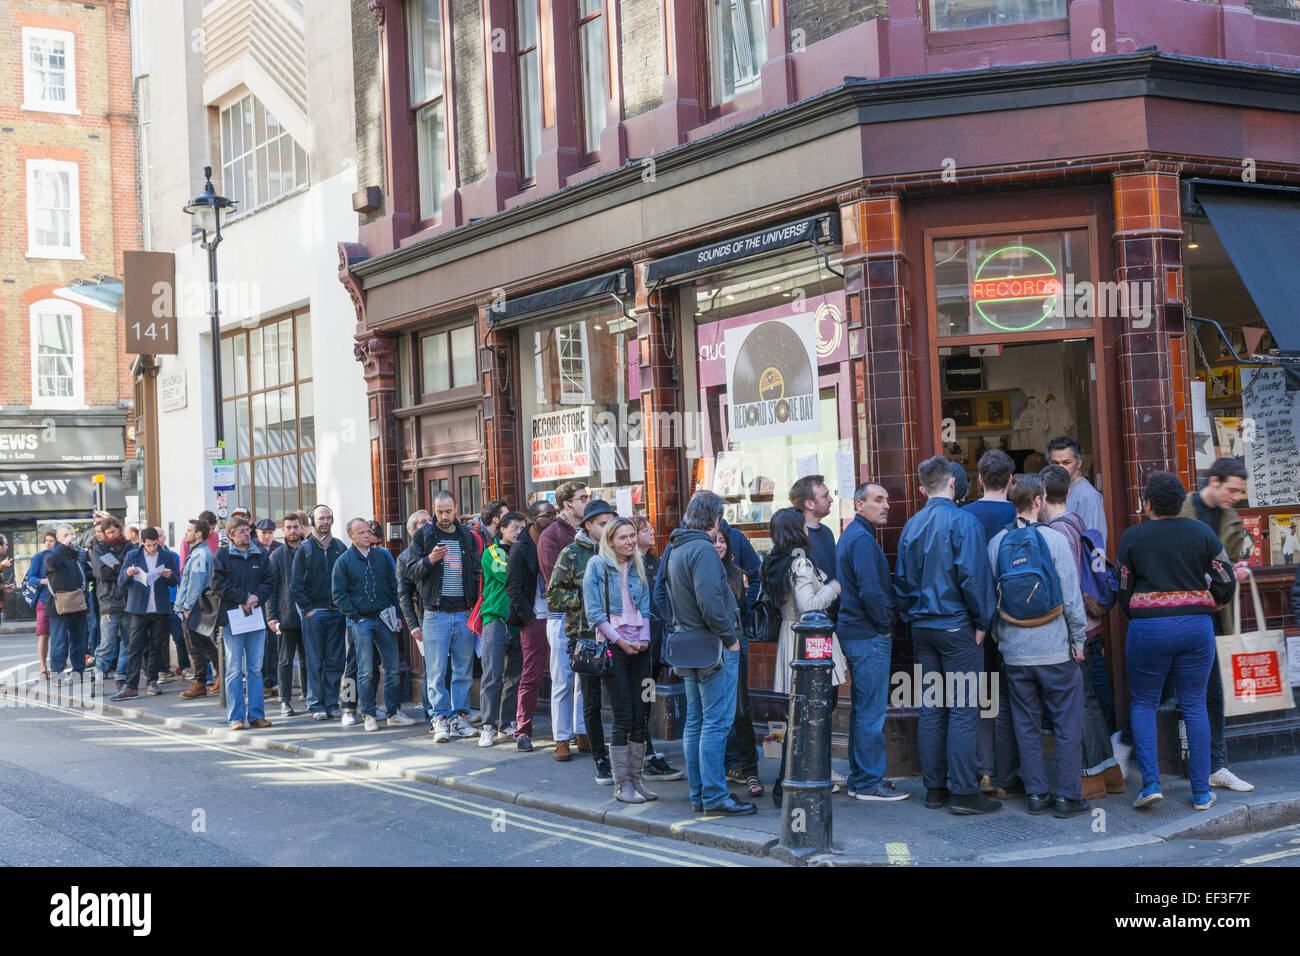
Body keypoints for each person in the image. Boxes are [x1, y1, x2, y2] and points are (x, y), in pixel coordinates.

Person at [1119, 471, 1236, 811]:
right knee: (1196, 704)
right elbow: (1225, 578)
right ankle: (1201, 791)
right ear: (1180, 502)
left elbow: (1122, 588)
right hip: (1196, 627)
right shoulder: (1201, 532)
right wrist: (1212, 602)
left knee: (1143, 703)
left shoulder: (1132, 537)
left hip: (1148, 630)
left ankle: (1151, 785)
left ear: (1147, 503)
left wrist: (1138, 614)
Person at [894, 454, 999, 815]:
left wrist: (913, 614)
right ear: (953, 482)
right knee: (963, 709)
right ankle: (966, 793)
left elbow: (903, 583)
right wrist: (983, 622)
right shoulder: (964, 522)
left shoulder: (911, 525)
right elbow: (974, 578)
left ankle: (936, 789)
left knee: (932, 709)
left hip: (923, 627)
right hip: (957, 626)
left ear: (923, 488)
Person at [988, 474, 1090, 818]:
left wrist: (1002, 640)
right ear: (1038, 501)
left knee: (1025, 724)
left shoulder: (996, 544)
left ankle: (1036, 795)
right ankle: (1068, 797)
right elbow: (1072, 599)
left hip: (1015, 651)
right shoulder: (1054, 540)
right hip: (1055, 649)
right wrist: (1078, 640)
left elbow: (993, 599)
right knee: (1066, 723)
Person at [663, 491, 754, 815]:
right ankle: (715, 796)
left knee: (696, 722)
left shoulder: (678, 546)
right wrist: (730, 639)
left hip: (691, 645)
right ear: (715, 519)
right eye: (721, 520)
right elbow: (711, 603)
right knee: (716, 723)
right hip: (713, 646)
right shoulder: (702, 549)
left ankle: (700, 795)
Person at [1040, 465, 1123, 798]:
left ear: (1042, 496)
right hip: (1092, 625)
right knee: (1088, 700)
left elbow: (1068, 590)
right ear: (1069, 493)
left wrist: (1073, 637)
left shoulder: (1057, 533)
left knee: (1076, 705)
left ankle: (1089, 778)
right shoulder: (1078, 524)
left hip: (1076, 631)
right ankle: (1110, 773)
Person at [1180, 456, 1255, 792]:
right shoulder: (1181, 512)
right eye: (1232, 490)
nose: (1236, 497)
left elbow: (1235, 560)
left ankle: (1216, 765)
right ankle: (1139, 749)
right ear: (1213, 481)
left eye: (1240, 492)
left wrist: (1237, 572)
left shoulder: (1231, 518)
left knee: (1214, 693)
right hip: (1180, 617)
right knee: (1173, 694)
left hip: (1215, 617)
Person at [764, 507, 845, 806]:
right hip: (809, 640)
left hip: (791, 637)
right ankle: (790, 782)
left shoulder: (776, 561)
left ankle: (797, 778)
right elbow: (808, 604)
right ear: (797, 530)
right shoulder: (800, 563)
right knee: (814, 710)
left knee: (799, 714)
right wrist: (833, 589)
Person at [836, 481, 907, 801]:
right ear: (858, 505)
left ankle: (860, 778)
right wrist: (884, 625)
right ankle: (868, 783)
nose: (886, 505)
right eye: (878, 499)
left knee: (863, 709)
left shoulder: (854, 536)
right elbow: (869, 590)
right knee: (871, 711)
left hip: (857, 632)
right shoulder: (862, 539)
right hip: (867, 635)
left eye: (887, 499)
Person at [583, 516, 657, 803]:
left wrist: (645, 640)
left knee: (642, 716)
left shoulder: (637, 563)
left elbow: (647, 609)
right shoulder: (597, 566)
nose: (629, 541)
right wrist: (621, 641)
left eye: (631, 536)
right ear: (610, 540)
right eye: (622, 537)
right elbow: (595, 614)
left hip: (640, 647)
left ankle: (636, 781)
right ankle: (620, 784)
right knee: (623, 716)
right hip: (614, 648)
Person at [962, 450, 1019, 795]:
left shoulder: (964, 515)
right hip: (1018, 617)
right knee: (1014, 697)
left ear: (979, 479)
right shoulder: (1020, 513)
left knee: (983, 696)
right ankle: (1010, 774)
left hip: (976, 619)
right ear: (1011, 481)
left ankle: (984, 770)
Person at [547, 499, 616, 785]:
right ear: (588, 525)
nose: (608, 528)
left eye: (611, 522)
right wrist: (586, 599)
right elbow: (553, 596)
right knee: (591, 701)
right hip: (586, 637)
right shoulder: (571, 554)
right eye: (602, 523)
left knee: (626, 701)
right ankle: (599, 758)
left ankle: (632, 758)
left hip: (620, 636)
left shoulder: (619, 551)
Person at [408, 490, 481, 742]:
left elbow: (475, 571)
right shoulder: (423, 536)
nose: (445, 516)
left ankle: (459, 718)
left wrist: (474, 606)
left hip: (463, 613)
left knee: (462, 670)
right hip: (435, 614)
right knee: (436, 671)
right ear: (434, 509)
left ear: (456, 508)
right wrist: (429, 560)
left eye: (449, 511)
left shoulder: (466, 537)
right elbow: (410, 572)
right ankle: (439, 719)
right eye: (440, 511)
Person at [331, 517, 415, 732]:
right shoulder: (343, 561)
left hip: (383, 618)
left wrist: (395, 613)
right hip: (358, 622)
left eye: (369, 532)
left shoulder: (382, 556)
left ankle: (390, 711)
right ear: (351, 535)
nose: (367, 536)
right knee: (356, 667)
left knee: (389, 667)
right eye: (362, 533)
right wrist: (356, 617)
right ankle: (349, 707)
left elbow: (392, 585)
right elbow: (338, 594)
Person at [538, 481, 591, 759]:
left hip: (586, 616)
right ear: (567, 504)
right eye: (582, 498)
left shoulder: (590, 530)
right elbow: (553, 579)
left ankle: (583, 732)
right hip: (561, 615)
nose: (587, 501)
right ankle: (561, 738)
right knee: (563, 678)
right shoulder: (551, 535)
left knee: (585, 676)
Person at [210, 515, 275, 730]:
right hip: (232, 619)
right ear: (230, 535)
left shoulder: (260, 555)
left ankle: (256, 714)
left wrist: (256, 597)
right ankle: (236, 717)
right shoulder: (222, 555)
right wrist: (243, 597)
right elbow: (218, 584)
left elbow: (270, 581)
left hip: (255, 617)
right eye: (241, 532)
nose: (246, 534)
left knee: (255, 668)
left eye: (247, 530)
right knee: (234, 669)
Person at [505, 499, 556, 752]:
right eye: (548, 515)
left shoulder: (555, 539)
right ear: (534, 519)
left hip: (557, 615)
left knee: (563, 675)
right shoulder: (520, 547)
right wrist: (528, 617)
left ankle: (564, 732)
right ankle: (523, 730)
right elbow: (513, 587)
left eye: (555, 514)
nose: (553, 518)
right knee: (531, 675)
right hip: (534, 617)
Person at [635, 515, 682, 781]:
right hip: (639, 647)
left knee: (648, 697)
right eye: (644, 529)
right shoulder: (631, 565)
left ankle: (647, 750)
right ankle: (644, 753)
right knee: (641, 699)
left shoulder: (655, 561)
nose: (651, 532)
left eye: (651, 528)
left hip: (657, 646)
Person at [291, 504, 349, 721]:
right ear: (312, 521)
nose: (325, 522)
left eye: (328, 518)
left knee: (335, 661)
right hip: (315, 614)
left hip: (337, 613)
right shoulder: (304, 549)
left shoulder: (340, 547)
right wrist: (307, 610)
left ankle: (332, 703)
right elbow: (296, 584)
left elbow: (347, 579)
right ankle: (316, 704)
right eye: (321, 518)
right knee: (315, 661)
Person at [111, 526, 180, 701]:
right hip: (138, 609)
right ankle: (131, 686)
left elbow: (175, 581)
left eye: (155, 544)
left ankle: (152, 682)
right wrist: (127, 573)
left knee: (157, 647)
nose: (153, 548)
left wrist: (169, 575)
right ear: (143, 543)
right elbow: (120, 582)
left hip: (160, 608)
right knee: (135, 647)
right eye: (149, 545)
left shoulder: (167, 556)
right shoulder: (132, 556)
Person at [717, 529, 761, 798]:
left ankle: (750, 770)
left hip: (734, 644)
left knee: (741, 710)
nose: (718, 545)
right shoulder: (698, 570)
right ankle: (720, 769)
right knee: (714, 714)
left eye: (722, 541)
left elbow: (756, 579)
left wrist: (746, 615)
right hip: (708, 649)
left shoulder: (734, 572)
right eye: (714, 541)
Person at [477, 511, 526, 746]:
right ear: (502, 529)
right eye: (515, 527)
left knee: (514, 677)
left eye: (522, 528)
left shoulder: (523, 550)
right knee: (492, 676)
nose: (519, 532)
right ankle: (487, 725)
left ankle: (506, 723)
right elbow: (510, 576)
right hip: (495, 621)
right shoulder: (491, 553)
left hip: (518, 623)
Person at [267, 512, 308, 716]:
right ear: (284, 530)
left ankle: (310, 696)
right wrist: (271, 616)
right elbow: (271, 589)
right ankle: (285, 700)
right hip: (285, 615)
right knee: (285, 660)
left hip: (309, 615)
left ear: (301, 528)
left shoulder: (310, 550)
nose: (292, 531)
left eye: (295, 527)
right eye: (288, 527)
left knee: (309, 659)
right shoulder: (276, 556)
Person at [176, 518, 220, 698]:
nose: (187, 533)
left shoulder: (200, 555)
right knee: (203, 644)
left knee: (195, 646)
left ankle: (200, 682)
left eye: (189, 530)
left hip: (194, 608)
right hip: (193, 607)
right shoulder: (197, 553)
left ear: (198, 534)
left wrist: (187, 607)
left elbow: (196, 584)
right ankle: (218, 675)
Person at [88, 516, 132, 694]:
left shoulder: (130, 547)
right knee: (107, 644)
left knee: (127, 643)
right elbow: (101, 573)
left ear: (119, 529)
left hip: (129, 601)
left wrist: (116, 568)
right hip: (108, 601)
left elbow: (133, 570)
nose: (111, 536)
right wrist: (122, 571)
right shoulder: (99, 549)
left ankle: (121, 677)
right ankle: (98, 679)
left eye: (113, 532)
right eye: (107, 533)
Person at [397, 509, 432, 721]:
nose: (428, 524)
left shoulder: (441, 548)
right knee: (432, 669)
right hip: (423, 620)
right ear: (413, 531)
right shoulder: (405, 558)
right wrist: (412, 625)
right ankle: (431, 714)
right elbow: (404, 594)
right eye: (422, 522)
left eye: (430, 520)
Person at [45, 524, 91, 684]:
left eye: (72, 534)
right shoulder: (52, 553)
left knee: (79, 640)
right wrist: (63, 545)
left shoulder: (77, 554)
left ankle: (78, 671)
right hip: (59, 606)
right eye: (66, 535)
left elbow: (85, 574)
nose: (71, 537)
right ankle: (57, 674)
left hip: (78, 603)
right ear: (58, 538)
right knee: (59, 641)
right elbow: (51, 564)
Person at [1047, 435, 1107, 548]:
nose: (1060, 468)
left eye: (1066, 463)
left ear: (1079, 463)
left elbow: (1094, 543)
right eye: (1055, 463)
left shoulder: (1089, 496)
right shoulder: (1049, 489)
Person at [790, 475, 837, 591]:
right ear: (809, 504)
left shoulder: (827, 531)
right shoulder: (795, 537)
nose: (831, 499)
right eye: (825, 496)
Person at [26, 529, 58, 678]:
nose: (49, 543)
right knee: (44, 635)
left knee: (58, 636)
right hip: (43, 600)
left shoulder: (61, 556)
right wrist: (42, 581)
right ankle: (43, 666)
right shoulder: (39, 557)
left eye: (51, 541)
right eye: (47, 541)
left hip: (61, 600)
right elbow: (30, 577)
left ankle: (56, 665)